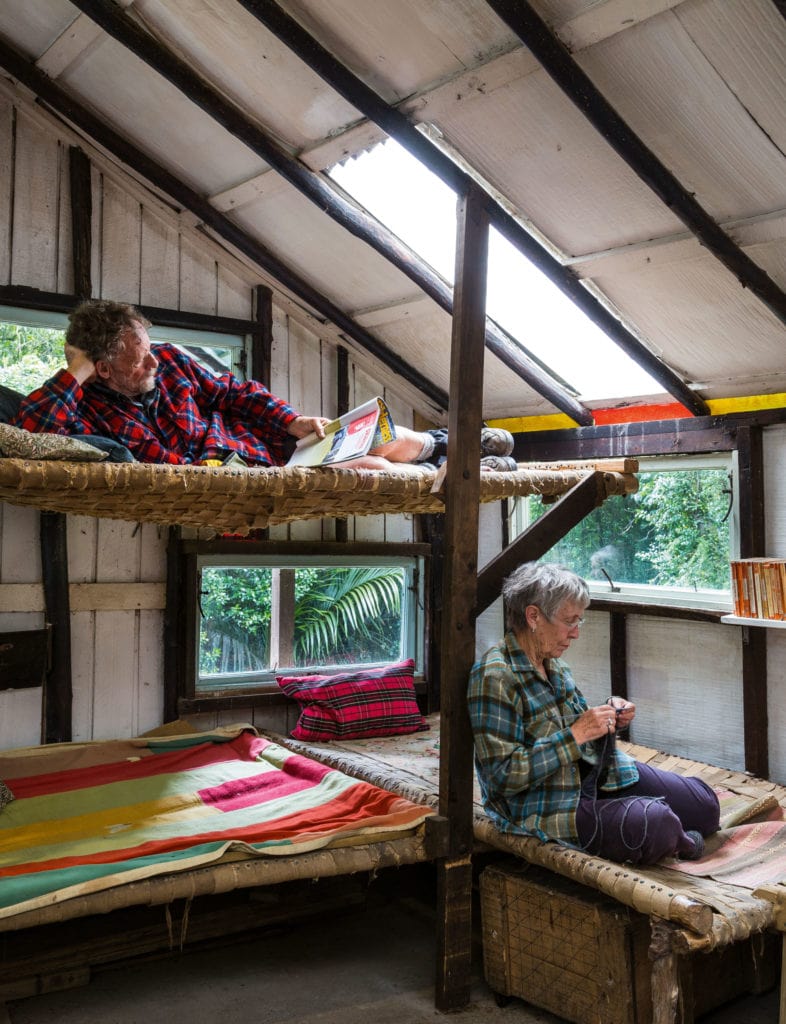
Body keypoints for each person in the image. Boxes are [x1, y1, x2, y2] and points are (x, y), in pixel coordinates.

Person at [15, 299, 517, 471]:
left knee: (375, 435)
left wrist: (291, 420)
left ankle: (457, 443)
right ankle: (463, 469)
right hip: (259, 472)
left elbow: (234, 392)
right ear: (102, 369)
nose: (152, 361)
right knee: (370, 466)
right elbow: (31, 432)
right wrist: (77, 370)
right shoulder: (84, 408)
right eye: (138, 357)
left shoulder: (168, 360)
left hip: (265, 438)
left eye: (149, 347)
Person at [467, 562, 720, 865]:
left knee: (706, 806)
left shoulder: (554, 665)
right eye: (569, 621)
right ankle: (681, 841)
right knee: (656, 824)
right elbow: (502, 777)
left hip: (595, 774)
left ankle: (665, 830)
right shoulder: (495, 676)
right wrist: (575, 735)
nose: (575, 633)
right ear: (533, 616)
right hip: (547, 804)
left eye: (579, 621)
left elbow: (575, 724)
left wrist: (609, 713)